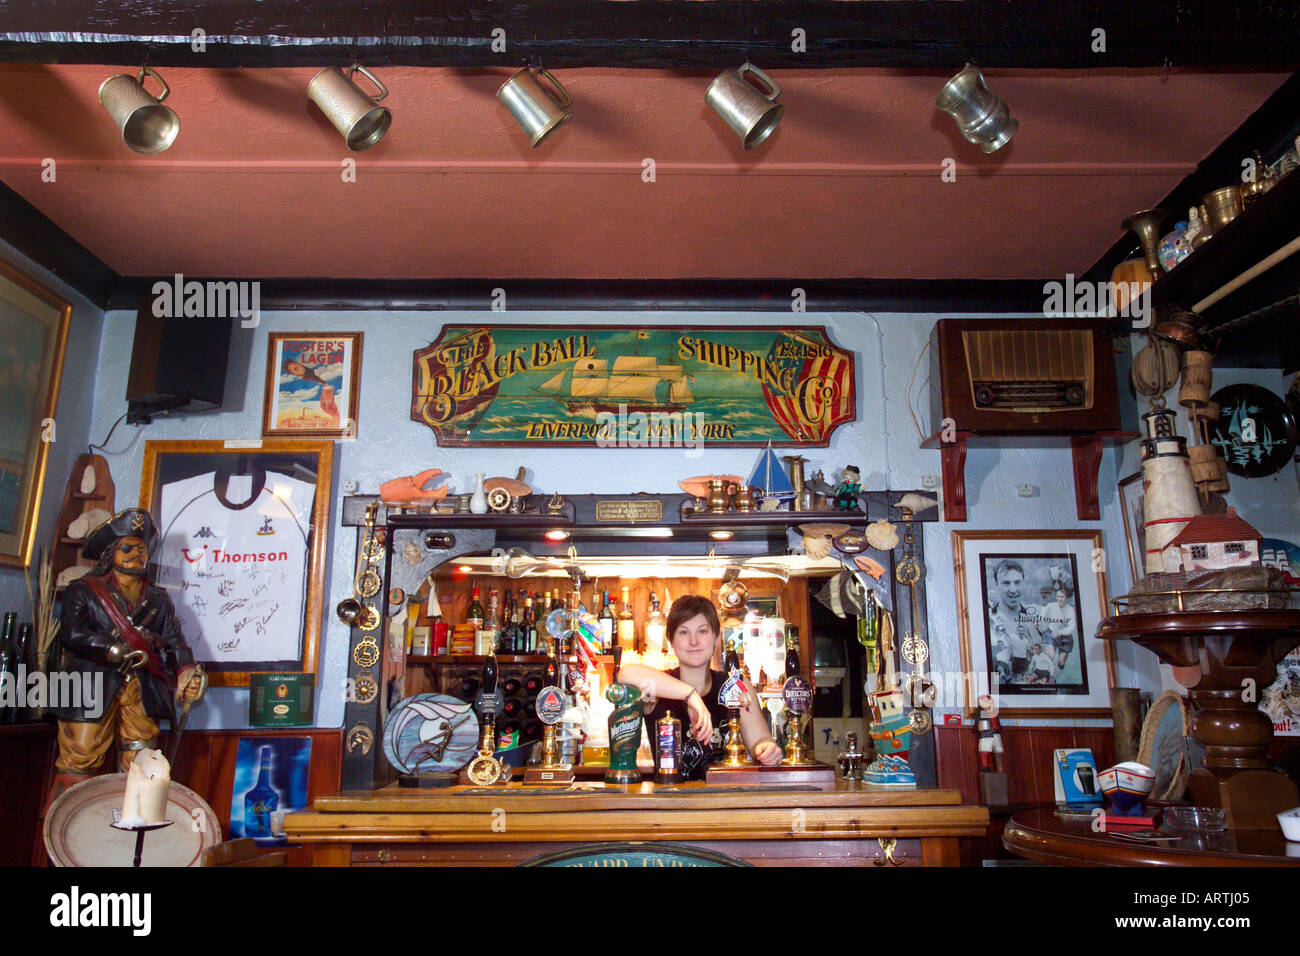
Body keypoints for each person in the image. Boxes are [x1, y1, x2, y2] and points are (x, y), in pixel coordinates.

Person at [45, 509, 206, 805]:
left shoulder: (158, 599)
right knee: (80, 757)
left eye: (142, 548)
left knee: (141, 761)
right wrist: (110, 648)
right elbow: (72, 635)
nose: (136, 555)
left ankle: (133, 828)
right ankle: (65, 828)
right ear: (111, 552)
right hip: (89, 685)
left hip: (140, 688)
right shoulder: (84, 590)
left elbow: (175, 642)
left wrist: (186, 671)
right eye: (127, 548)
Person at [617, 594, 782, 779]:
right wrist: (691, 695)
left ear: (717, 638)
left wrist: (767, 750)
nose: (693, 641)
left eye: (702, 631)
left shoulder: (735, 687)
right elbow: (625, 674)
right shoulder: (657, 691)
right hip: (671, 802)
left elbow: (760, 741)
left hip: (726, 802)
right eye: (684, 632)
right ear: (670, 640)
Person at [988, 560, 1040, 682]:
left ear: (1024, 584)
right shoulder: (988, 620)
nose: (1013, 589)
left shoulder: (1036, 617)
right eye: (1006, 583)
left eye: (1017, 583)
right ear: (996, 585)